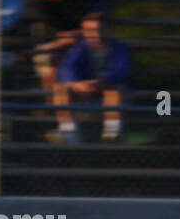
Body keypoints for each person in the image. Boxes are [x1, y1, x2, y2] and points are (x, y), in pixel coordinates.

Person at [49, 13, 131, 144]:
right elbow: (67, 68)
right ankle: (69, 133)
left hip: (109, 90)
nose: (95, 33)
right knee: (61, 88)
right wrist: (76, 84)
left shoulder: (120, 48)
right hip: (85, 91)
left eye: (99, 29)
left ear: (108, 30)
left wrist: (101, 81)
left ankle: (112, 134)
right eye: (89, 30)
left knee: (114, 90)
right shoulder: (80, 48)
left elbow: (120, 71)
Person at [30, 0, 84, 105]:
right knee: (52, 58)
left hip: (72, 46)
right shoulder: (41, 2)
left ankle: (61, 112)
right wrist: (69, 37)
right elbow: (49, 31)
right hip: (52, 47)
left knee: (57, 55)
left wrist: (69, 38)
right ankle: (57, 110)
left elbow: (87, 30)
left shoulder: (78, 2)